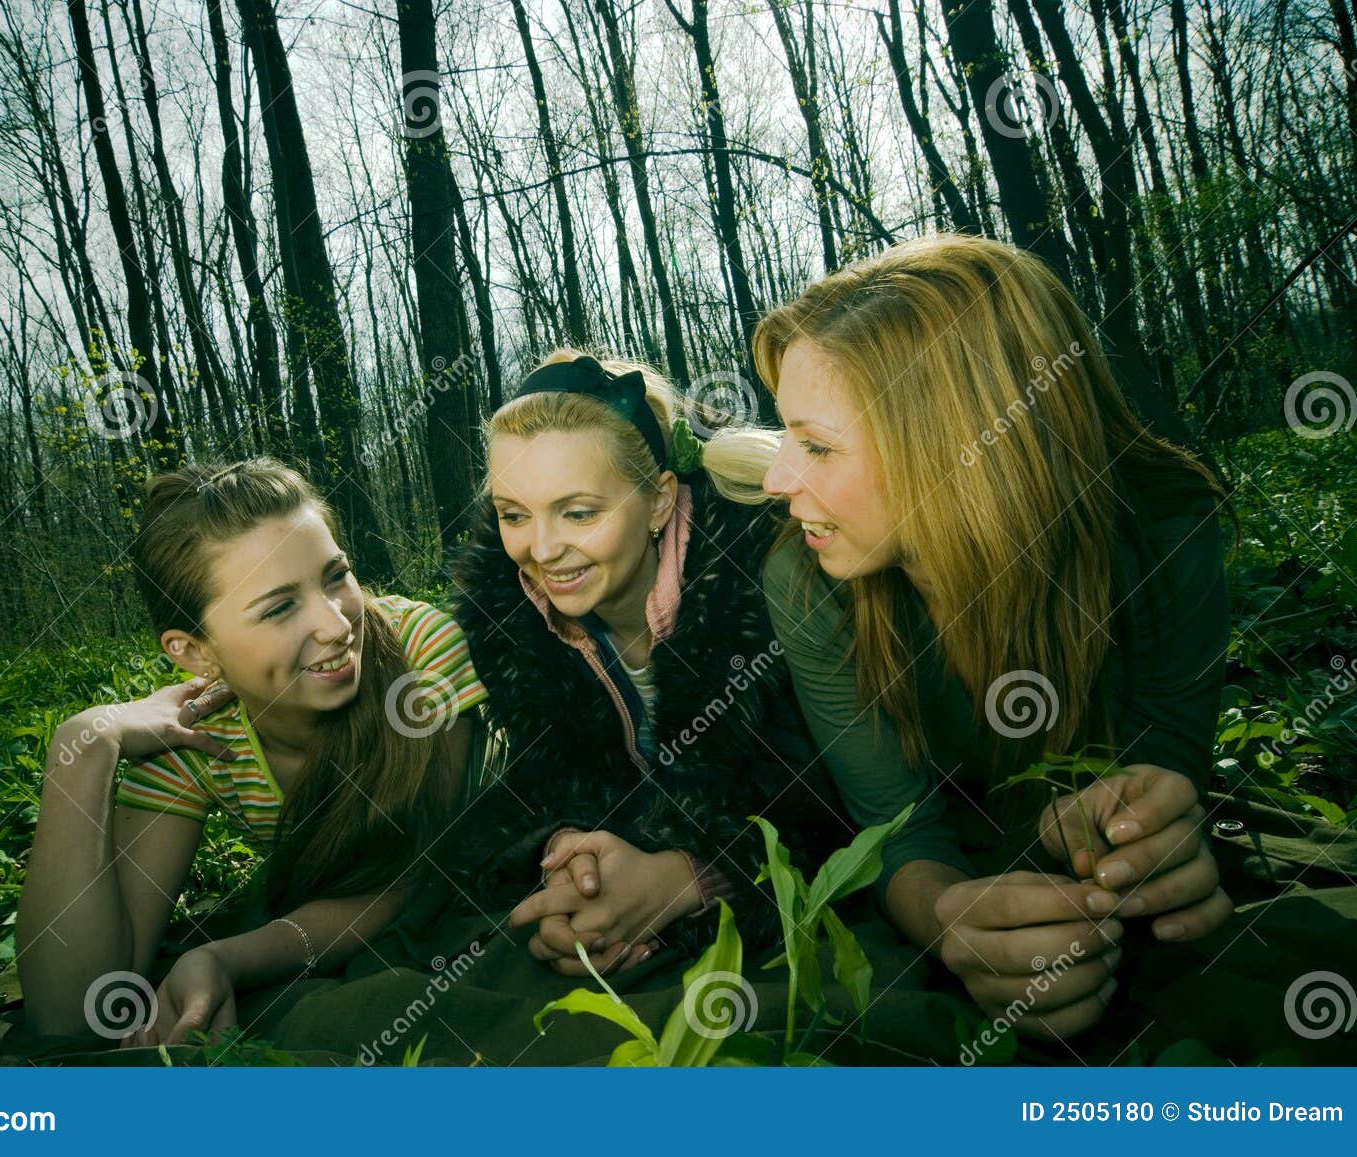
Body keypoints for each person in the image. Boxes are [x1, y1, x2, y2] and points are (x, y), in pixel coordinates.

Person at [746, 234, 1233, 1039]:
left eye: (819, 446)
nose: (775, 479)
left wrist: (1149, 844)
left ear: (958, 449)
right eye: (785, 436)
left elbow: (1171, 765)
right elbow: (895, 831)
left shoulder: (1167, 531)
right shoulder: (806, 579)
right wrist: (951, 922)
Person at [16, 458, 486, 1043]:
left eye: (336, 575)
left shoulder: (421, 657)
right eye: (280, 607)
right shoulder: (195, 740)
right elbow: (70, 1010)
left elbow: (408, 881)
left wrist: (227, 958)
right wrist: (81, 747)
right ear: (194, 653)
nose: (336, 625)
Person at [442, 349, 838, 976]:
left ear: (658, 503)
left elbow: (836, 815)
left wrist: (692, 878)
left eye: (579, 513)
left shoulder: (770, 583)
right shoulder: (512, 628)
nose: (542, 550)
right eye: (514, 515)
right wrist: (570, 864)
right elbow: (542, 792)